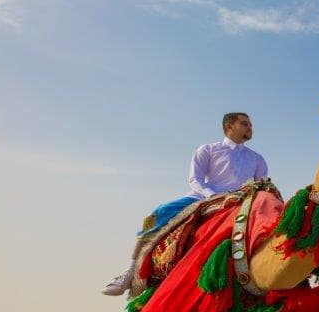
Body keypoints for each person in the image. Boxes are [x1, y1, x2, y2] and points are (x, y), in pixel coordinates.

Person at [101, 112, 269, 295]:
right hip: (203, 197)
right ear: (229, 127)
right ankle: (130, 273)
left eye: (250, 125)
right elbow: (195, 179)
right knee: (156, 215)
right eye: (244, 124)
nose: (250, 128)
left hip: (240, 202)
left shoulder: (257, 159)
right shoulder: (208, 149)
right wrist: (213, 196)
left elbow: (261, 187)